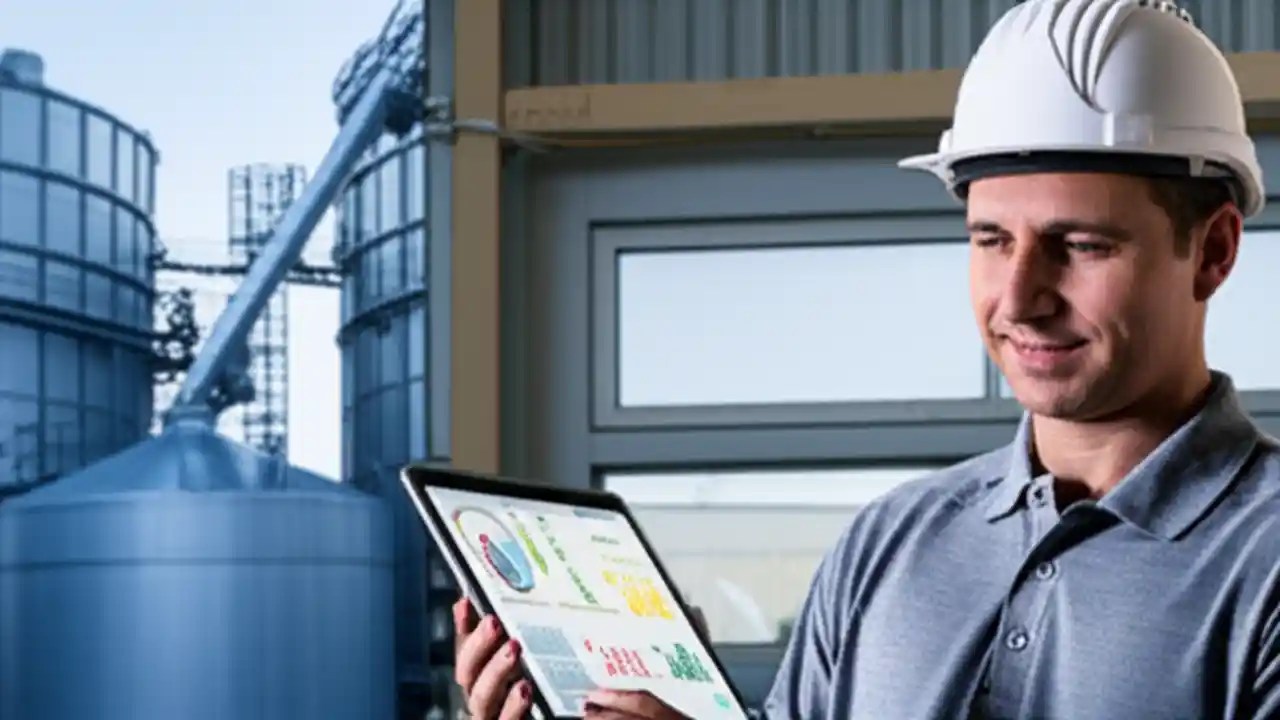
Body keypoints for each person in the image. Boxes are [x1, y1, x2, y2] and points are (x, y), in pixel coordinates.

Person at [451, 0, 1280, 717]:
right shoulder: (890, 543)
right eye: (992, 240)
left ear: (1212, 251)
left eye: (1081, 244)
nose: (1020, 297)